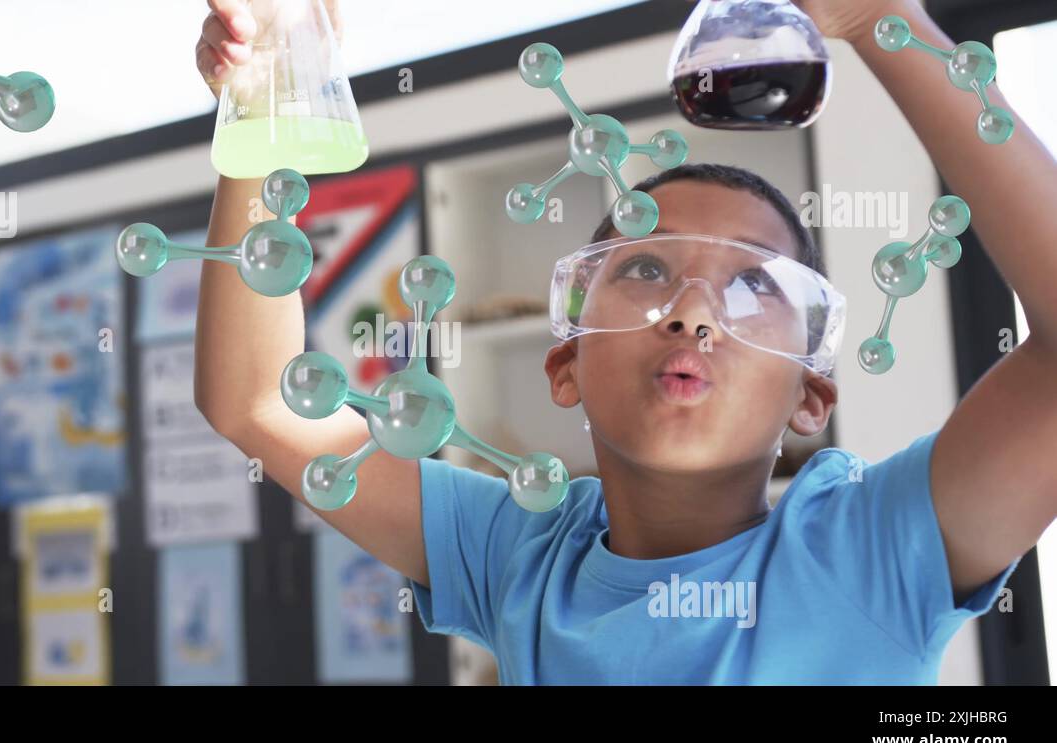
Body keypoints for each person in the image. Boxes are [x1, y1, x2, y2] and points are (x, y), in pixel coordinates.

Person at [191, 0, 1057, 684]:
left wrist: (880, 21)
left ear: (810, 396)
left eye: (755, 282)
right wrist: (266, 100)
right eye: (645, 270)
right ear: (566, 362)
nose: (693, 311)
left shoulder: (872, 552)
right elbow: (261, 399)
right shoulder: (519, 552)